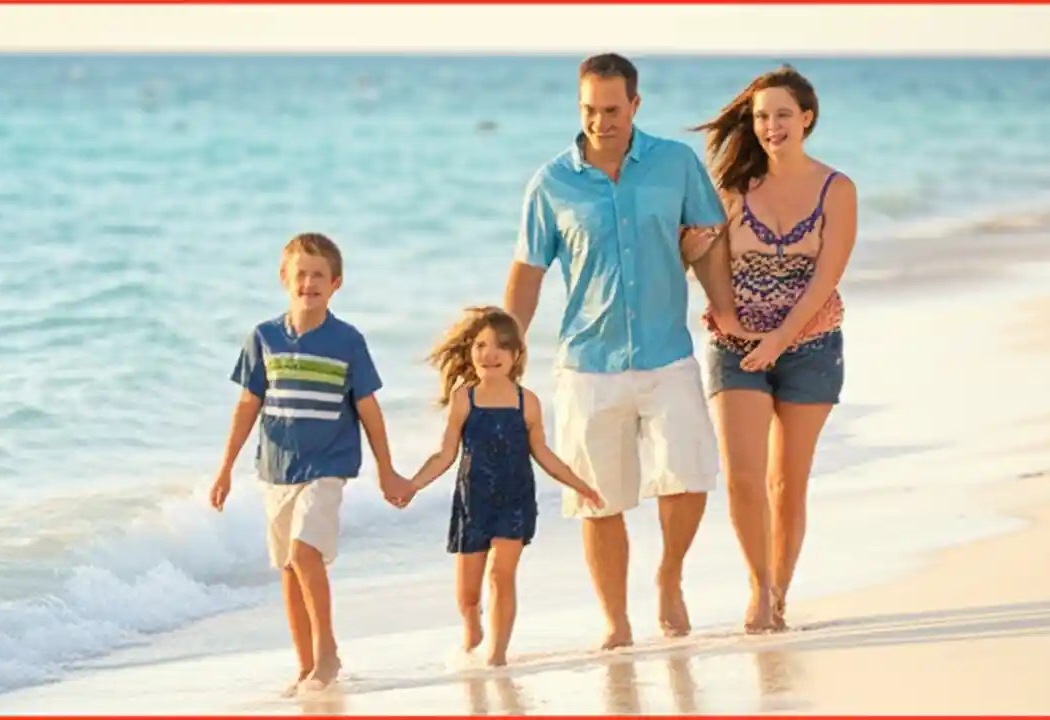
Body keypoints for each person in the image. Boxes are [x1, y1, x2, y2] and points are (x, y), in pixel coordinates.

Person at [503, 53, 754, 648]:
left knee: (688, 476)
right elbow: (528, 273)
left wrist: (725, 311)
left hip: (668, 351)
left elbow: (710, 243)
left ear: (635, 105)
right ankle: (615, 620)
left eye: (612, 109)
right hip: (589, 365)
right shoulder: (551, 182)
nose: (601, 121)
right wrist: (506, 359)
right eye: (589, 109)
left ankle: (668, 576)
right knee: (596, 499)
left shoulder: (676, 164)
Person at [208, 232, 411, 692]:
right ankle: (304, 665)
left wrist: (387, 470)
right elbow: (247, 406)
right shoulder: (264, 338)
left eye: (319, 274)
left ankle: (327, 654)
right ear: (284, 278)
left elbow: (369, 410)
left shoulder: (347, 341)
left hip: (327, 466)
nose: (309, 282)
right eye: (301, 273)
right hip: (276, 469)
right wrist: (224, 469)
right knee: (287, 565)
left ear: (336, 283)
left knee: (305, 552)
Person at [693, 65, 857, 632]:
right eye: (762, 116)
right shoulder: (731, 188)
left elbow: (826, 277)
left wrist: (780, 340)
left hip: (811, 345)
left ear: (807, 119)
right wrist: (732, 318)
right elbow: (708, 264)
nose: (770, 126)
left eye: (783, 114)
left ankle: (781, 591)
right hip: (734, 346)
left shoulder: (838, 189)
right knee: (742, 477)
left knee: (788, 480)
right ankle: (758, 589)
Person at [402, 306, 603, 666]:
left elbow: (543, 454)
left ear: (515, 356)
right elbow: (445, 453)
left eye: (499, 346)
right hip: (473, 501)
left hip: (515, 500)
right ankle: (473, 635)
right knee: (466, 596)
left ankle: (496, 656)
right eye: (480, 345)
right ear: (470, 351)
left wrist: (580, 485)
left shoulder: (528, 403)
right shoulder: (465, 398)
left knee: (501, 574)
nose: (489, 354)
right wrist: (412, 485)